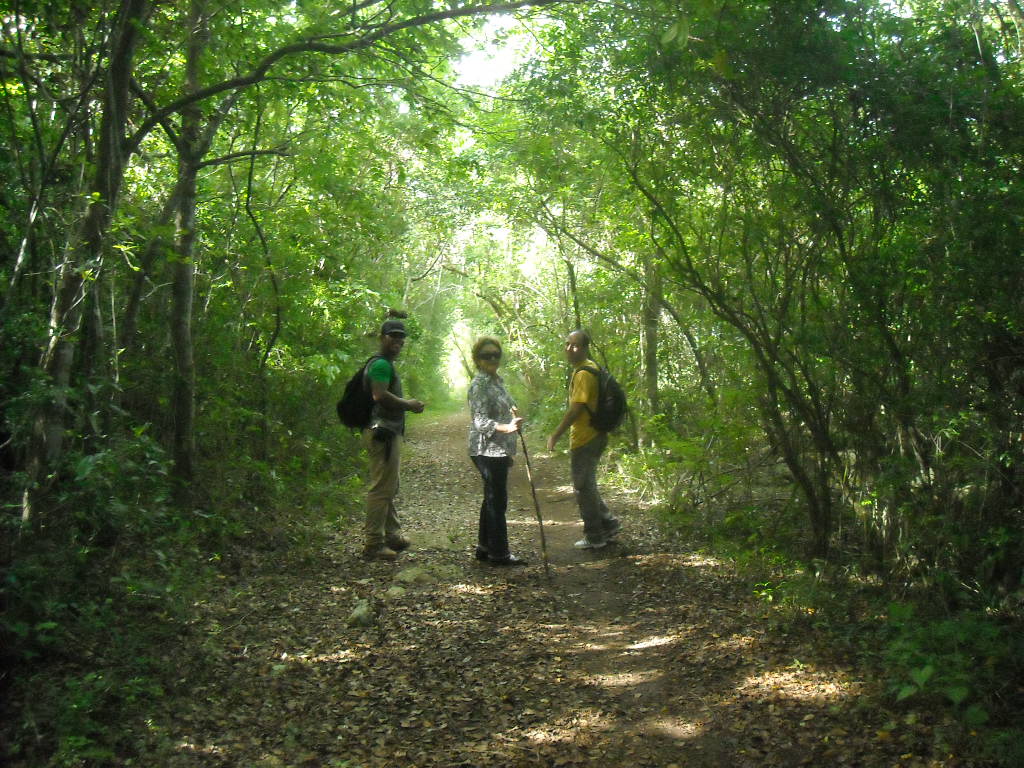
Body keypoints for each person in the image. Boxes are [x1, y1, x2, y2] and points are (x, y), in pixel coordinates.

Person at [546, 329, 621, 549]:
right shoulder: (592, 368)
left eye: (575, 345)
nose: (570, 349)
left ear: (585, 348)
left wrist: (555, 435)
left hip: (586, 438)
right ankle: (608, 523)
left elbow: (576, 409)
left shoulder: (584, 374)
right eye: (567, 344)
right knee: (588, 484)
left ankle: (594, 536)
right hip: (596, 435)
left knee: (582, 487)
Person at [361, 316, 425, 561]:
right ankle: (374, 544)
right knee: (381, 489)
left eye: (401, 337)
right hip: (383, 433)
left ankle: (393, 535)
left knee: (389, 486)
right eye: (393, 336)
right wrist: (408, 404)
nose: (398, 340)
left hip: (384, 431)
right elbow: (379, 395)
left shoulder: (383, 364)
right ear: (382, 338)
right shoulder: (381, 365)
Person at [467, 336, 527, 566]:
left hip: (499, 448)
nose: (492, 359)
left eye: (496, 355)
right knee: (497, 500)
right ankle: (499, 554)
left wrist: (513, 412)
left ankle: (484, 547)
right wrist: (507, 427)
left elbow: (507, 403)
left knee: (492, 498)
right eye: (486, 355)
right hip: (486, 449)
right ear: (477, 359)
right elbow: (480, 422)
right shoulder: (479, 384)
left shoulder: (496, 380)